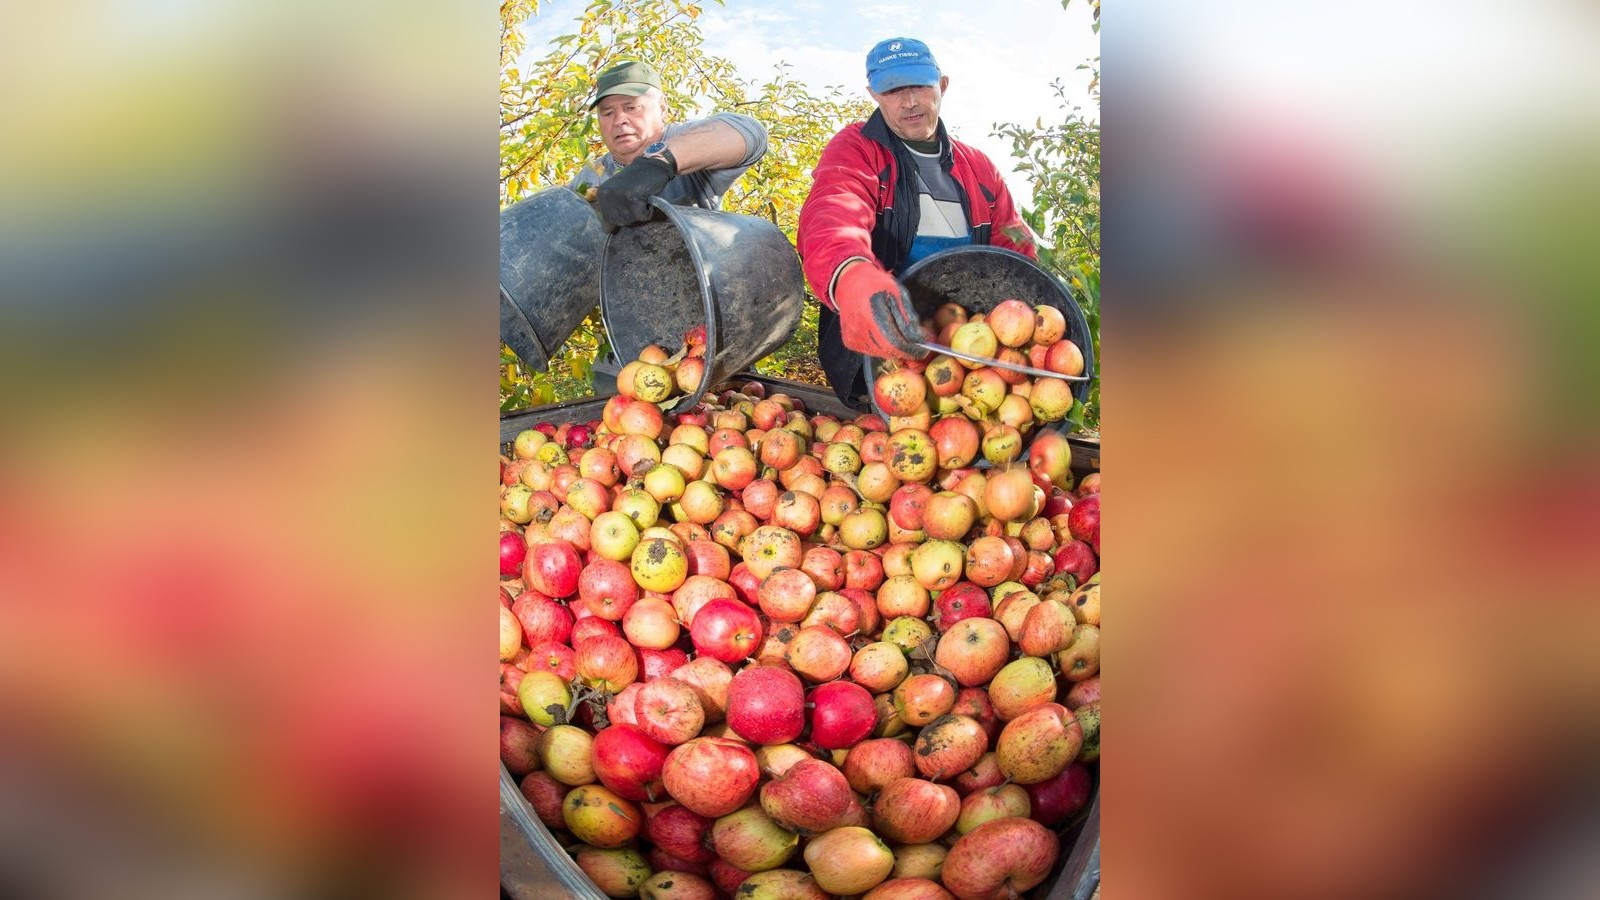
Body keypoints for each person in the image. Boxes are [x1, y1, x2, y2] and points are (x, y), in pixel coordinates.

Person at [797, 38, 1037, 408]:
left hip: (969, 360)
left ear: (942, 85)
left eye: (919, 86)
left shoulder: (979, 169)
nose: (909, 102)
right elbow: (834, 210)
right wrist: (850, 274)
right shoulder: (858, 149)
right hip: (884, 356)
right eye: (893, 90)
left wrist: (1033, 310)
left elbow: (1015, 249)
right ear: (874, 95)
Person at [572, 60, 768, 229]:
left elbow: (750, 133)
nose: (619, 120)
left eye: (632, 107)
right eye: (607, 113)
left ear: (663, 108)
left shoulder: (684, 138)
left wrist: (658, 163)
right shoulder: (590, 175)